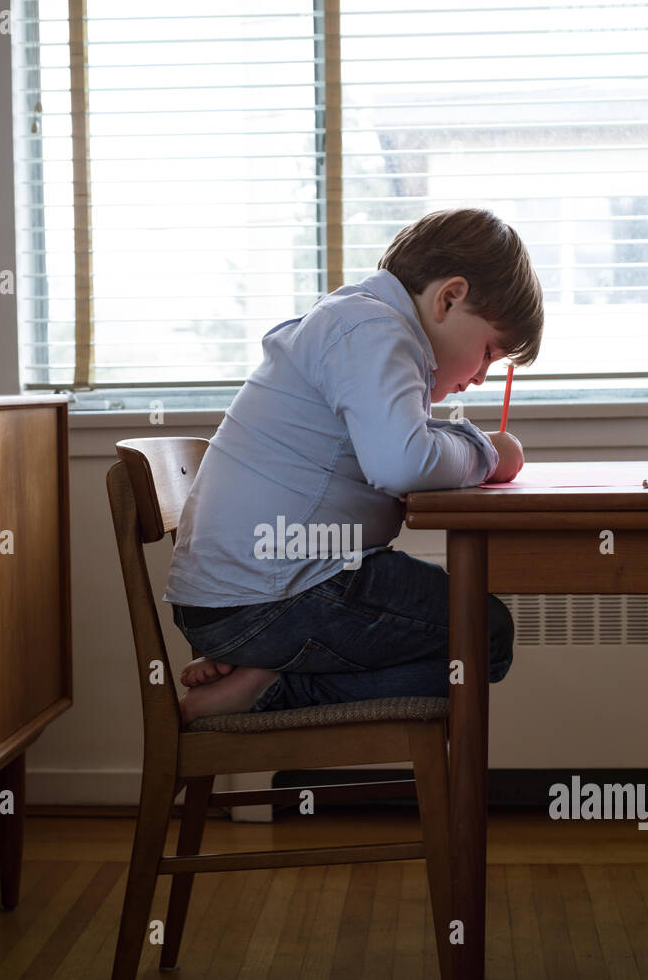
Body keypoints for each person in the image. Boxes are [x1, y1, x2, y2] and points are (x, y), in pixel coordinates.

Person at [162, 207, 543, 723]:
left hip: (245, 597)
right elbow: (404, 462)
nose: (481, 378)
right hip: (274, 597)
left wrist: (470, 446)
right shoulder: (374, 330)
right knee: (486, 634)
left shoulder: (358, 321)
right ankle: (274, 690)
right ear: (448, 298)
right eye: (490, 352)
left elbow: (408, 445)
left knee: (468, 644)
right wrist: (491, 453)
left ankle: (270, 670)